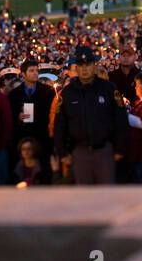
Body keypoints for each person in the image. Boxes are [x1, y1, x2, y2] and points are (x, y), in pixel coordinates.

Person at [53, 45, 128, 185]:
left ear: (94, 65)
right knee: (84, 197)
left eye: (88, 64)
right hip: (79, 152)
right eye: (81, 65)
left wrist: (120, 148)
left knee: (106, 193)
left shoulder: (108, 89)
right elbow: (59, 125)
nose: (85, 69)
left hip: (104, 151)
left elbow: (121, 119)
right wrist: (63, 152)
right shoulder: (68, 93)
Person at [7, 59, 55, 184]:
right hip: (22, 137)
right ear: (23, 74)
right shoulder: (14, 95)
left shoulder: (47, 92)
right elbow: (9, 116)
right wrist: (18, 117)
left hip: (41, 138)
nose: (35, 74)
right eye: (31, 71)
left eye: (36, 71)